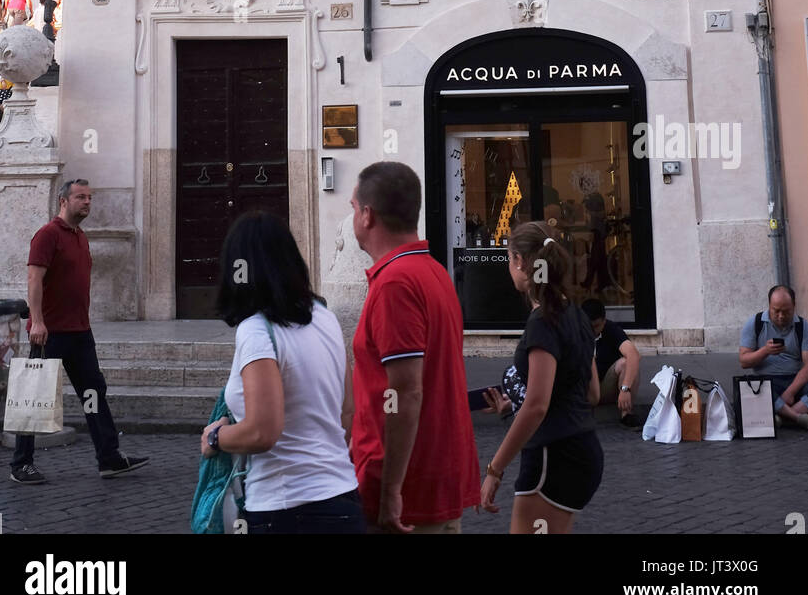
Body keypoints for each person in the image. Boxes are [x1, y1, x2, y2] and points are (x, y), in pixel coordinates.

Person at [200, 211, 364, 534]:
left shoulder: (256, 332)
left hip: (285, 508)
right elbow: (347, 411)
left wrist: (215, 437)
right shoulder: (324, 317)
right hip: (343, 497)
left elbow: (263, 431)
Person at [350, 161, 479, 533]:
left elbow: (405, 391)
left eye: (354, 207)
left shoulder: (396, 283)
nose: (353, 214)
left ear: (368, 215)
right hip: (436, 479)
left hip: (409, 492)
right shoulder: (433, 271)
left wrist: (391, 489)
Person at [10, 178, 149, 484]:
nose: (87, 202)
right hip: (50, 333)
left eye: (90, 197)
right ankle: (21, 464)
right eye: (81, 197)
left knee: (93, 393)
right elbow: (34, 280)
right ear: (64, 201)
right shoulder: (47, 235)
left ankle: (109, 458)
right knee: (35, 396)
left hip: (80, 332)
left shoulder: (80, 236)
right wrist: (38, 321)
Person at [480, 222, 602, 534]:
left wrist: (495, 468)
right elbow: (591, 394)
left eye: (509, 259)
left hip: (553, 455)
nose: (509, 267)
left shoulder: (542, 322)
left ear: (520, 261)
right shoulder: (576, 314)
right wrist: (514, 407)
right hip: (582, 448)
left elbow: (537, 406)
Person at [739, 284, 808, 428]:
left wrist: (790, 392)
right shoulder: (755, 323)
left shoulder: (803, 326)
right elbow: (744, 361)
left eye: (786, 311)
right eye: (776, 311)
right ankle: (796, 418)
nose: (781, 316)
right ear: (769, 306)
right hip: (766, 381)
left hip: (795, 380)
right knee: (753, 388)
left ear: (794, 306)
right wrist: (765, 351)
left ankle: (779, 415)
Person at [582, 297, 641, 427]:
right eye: (588, 326)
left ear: (604, 321)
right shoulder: (574, 332)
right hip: (583, 389)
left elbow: (634, 355)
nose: (592, 331)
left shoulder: (612, 330)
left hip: (605, 387)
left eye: (596, 326)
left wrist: (625, 389)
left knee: (625, 363)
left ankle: (627, 414)